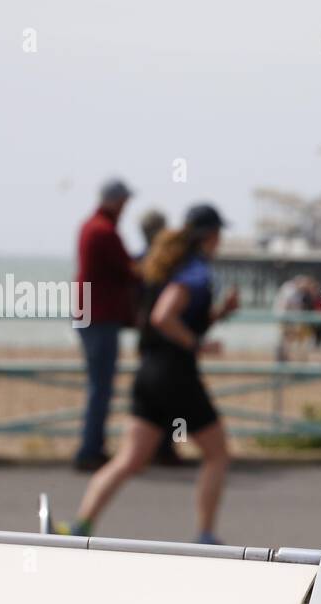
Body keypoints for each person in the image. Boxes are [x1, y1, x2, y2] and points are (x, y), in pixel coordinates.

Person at [59, 204, 239, 544]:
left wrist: (219, 314)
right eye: (219, 235)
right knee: (218, 454)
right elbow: (164, 316)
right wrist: (198, 345)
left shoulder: (169, 267)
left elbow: (174, 318)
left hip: (149, 373)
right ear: (211, 236)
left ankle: (79, 527)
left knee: (128, 459)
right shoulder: (196, 272)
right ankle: (205, 536)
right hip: (176, 375)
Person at [73, 178, 139, 472]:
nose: (126, 207)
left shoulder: (90, 227)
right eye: (124, 201)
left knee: (97, 384)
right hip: (100, 316)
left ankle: (92, 446)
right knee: (101, 386)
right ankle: (90, 449)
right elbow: (127, 270)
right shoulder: (104, 231)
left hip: (88, 312)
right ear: (115, 201)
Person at [136, 209, 188, 468]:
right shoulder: (168, 267)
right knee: (171, 397)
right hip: (164, 341)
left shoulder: (140, 263)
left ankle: (150, 450)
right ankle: (165, 448)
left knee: (152, 399)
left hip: (147, 338)